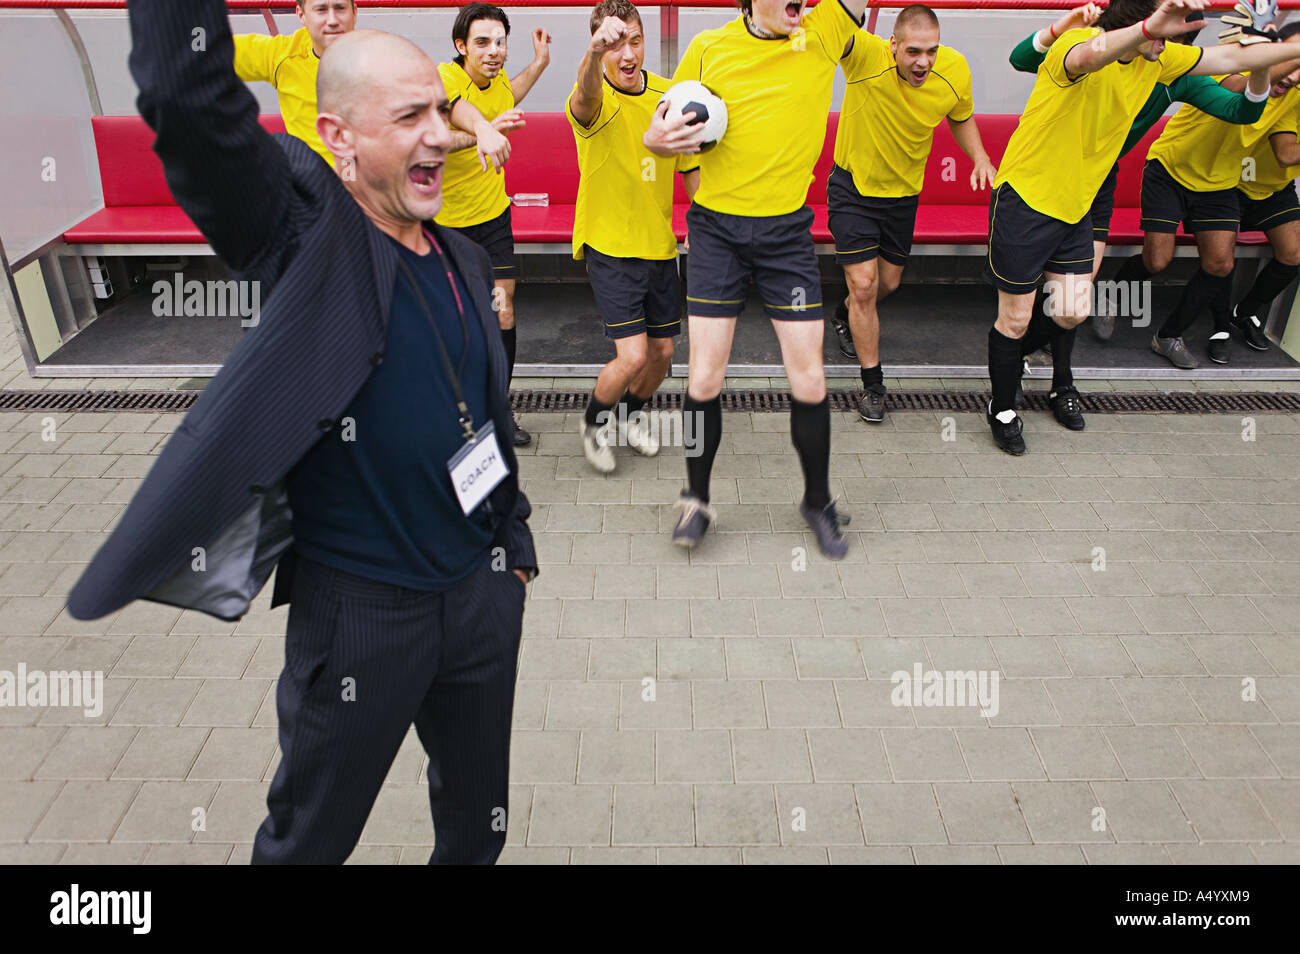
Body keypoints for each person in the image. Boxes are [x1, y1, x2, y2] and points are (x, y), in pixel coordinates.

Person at [68, 0, 537, 865]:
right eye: (409, 116)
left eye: (441, 108)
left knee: (478, 832)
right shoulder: (312, 239)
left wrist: (512, 547)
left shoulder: (467, 262)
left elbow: (486, 416)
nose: (440, 132)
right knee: (308, 846)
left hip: (479, 603)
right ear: (340, 139)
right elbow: (191, 102)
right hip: (360, 616)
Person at [983, 0, 1300, 455]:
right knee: (1014, 316)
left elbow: (1232, 61)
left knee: (1071, 309)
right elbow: (1085, 56)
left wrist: (1282, 51)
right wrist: (1148, 28)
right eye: (1166, 34)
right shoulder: (1076, 44)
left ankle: (1012, 364)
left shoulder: (1163, 61)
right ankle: (1002, 405)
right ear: (1146, 27)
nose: (1177, 44)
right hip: (1028, 200)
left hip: (1082, 198)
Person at [644, 0, 873, 560]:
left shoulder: (824, 29)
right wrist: (657, 142)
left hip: (786, 237)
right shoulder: (707, 48)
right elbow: (659, 127)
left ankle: (817, 502)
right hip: (717, 234)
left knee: (811, 379)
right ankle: (695, 500)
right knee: (703, 377)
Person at [1011, 4, 1270, 361]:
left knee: (1074, 294)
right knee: (1030, 292)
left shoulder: (1176, 73)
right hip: (1046, 174)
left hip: (1098, 180)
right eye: (1158, 34)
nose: (1161, 48)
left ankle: (1054, 373)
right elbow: (1021, 58)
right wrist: (1061, 26)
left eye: (1171, 41)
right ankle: (1019, 360)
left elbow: (1241, 109)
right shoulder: (1098, 49)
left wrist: (1263, 56)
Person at [828, 4, 996, 424]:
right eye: (914, 52)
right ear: (894, 45)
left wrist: (979, 156)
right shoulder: (865, 56)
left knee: (888, 282)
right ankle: (873, 386)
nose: (924, 62)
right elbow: (834, 23)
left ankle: (843, 313)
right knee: (864, 286)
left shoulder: (954, 70)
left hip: (903, 195)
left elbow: (961, 116)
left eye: (931, 51)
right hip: (853, 188)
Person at [1114, 25, 1300, 367]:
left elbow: (1287, 152)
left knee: (1220, 264)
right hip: (1171, 170)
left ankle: (1168, 336)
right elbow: (1238, 90)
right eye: (1290, 54)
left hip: (1221, 183)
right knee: (1157, 261)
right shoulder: (1236, 69)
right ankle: (1111, 299)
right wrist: (1277, 58)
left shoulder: (1291, 98)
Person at [569, 0, 699, 473]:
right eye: (614, 42)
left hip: (659, 248)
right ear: (600, 49)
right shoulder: (593, 97)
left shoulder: (669, 96)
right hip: (610, 247)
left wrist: (705, 224)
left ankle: (629, 415)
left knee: (663, 354)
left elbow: (692, 165)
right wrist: (591, 52)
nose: (627, 53)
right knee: (632, 355)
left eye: (635, 40)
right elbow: (584, 100)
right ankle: (592, 424)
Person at [437, 3, 552, 447]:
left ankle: (499, 408)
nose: (494, 51)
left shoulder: (497, 78)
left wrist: (539, 63)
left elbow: (508, 95)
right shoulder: (445, 79)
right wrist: (483, 132)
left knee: (502, 311)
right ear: (460, 46)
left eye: (500, 42)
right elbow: (443, 133)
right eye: (482, 42)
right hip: (445, 224)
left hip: (493, 218)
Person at [233, 0, 358, 163]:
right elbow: (203, 49)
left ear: (354, 12)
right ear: (301, 15)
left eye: (340, 8)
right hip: (311, 182)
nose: (333, 20)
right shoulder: (282, 55)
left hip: (370, 181)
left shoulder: (382, 58)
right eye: (321, 10)